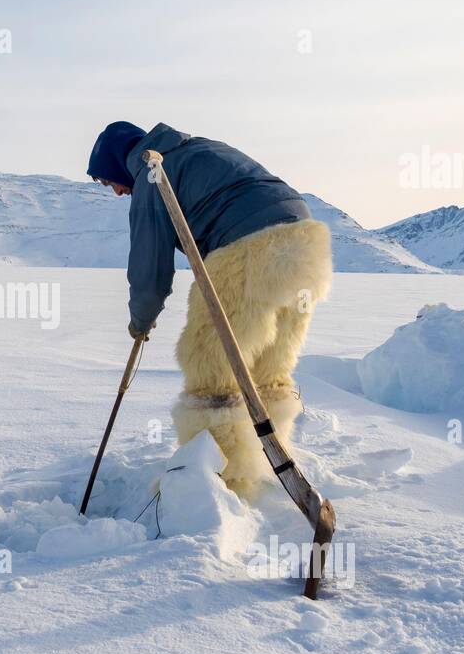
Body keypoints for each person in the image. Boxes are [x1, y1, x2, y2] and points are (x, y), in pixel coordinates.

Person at [87, 121, 332, 497]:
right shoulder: (197, 149)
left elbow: (150, 267)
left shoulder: (153, 170)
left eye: (110, 182)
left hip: (248, 249)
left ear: (120, 164)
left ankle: (216, 485)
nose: (118, 192)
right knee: (268, 367)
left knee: (210, 368)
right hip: (305, 245)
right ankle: (267, 460)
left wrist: (141, 320)